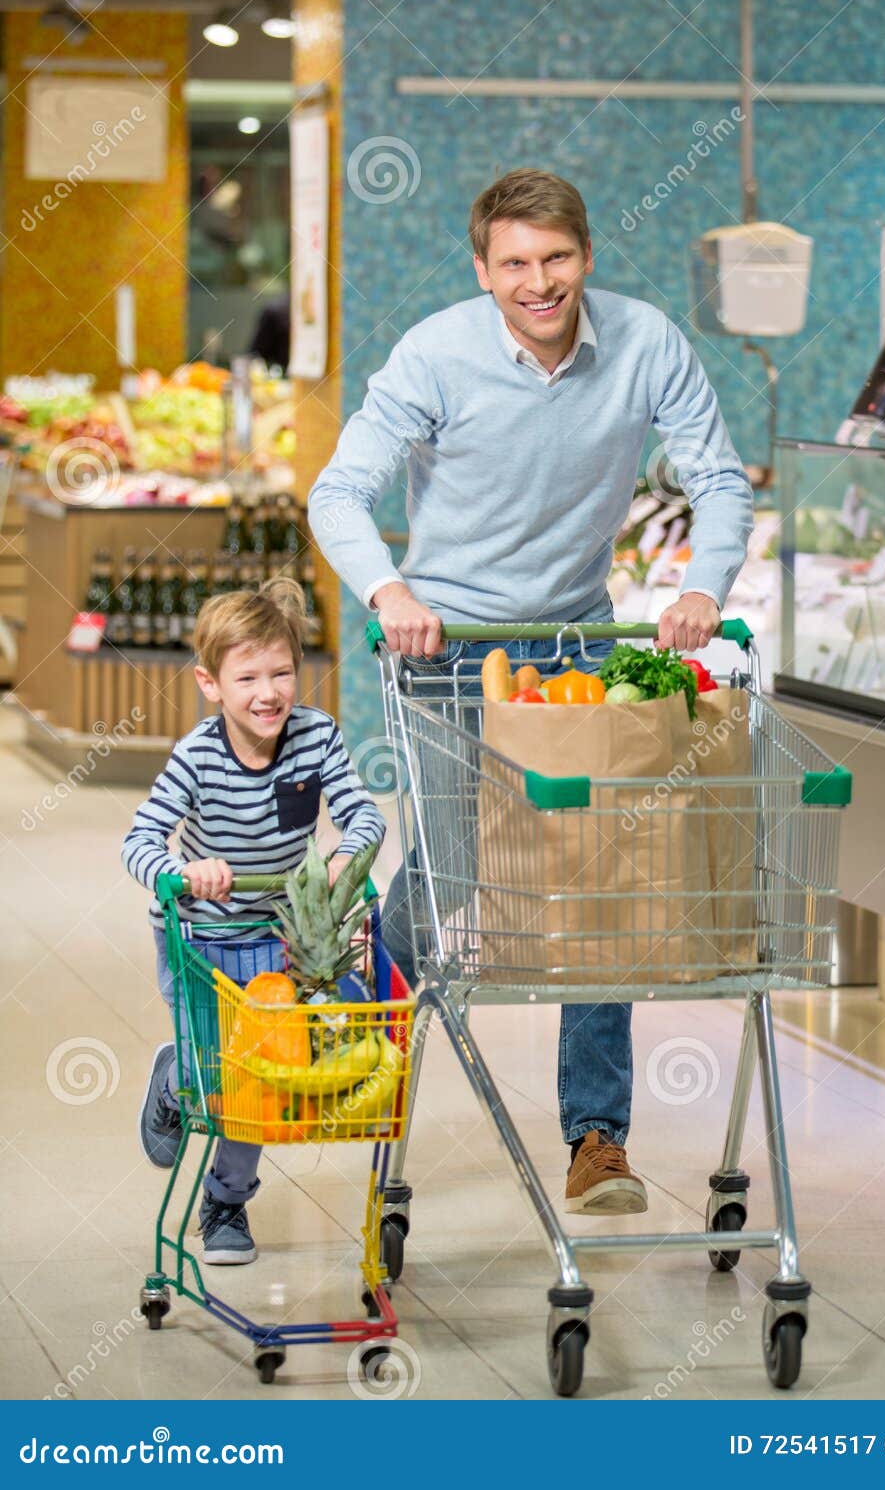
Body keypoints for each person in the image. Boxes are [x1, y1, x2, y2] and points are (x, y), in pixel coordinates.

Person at [308, 166, 753, 1214]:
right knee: (454, 869)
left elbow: (718, 477)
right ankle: (346, 1030)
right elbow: (339, 490)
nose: (537, 282)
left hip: (578, 640)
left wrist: (701, 585)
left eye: (555, 258)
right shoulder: (434, 353)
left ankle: (596, 1137)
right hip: (448, 640)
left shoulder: (645, 342)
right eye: (513, 263)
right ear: (483, 269)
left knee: (597, 877)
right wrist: (390, 590)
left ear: (585, 256)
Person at [122, 578, 385, 1264]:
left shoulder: (317, 735)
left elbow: (363, 814)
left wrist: (346, 856)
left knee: (258, 1078)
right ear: (210, 684)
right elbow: (138, 840)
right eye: (247, 678)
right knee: (210, 1075)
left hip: (277, 935)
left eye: (282, 673)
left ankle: (227, 1201)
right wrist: (184, 872)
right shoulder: (197, 756)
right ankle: (175, 1081)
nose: (268, 693)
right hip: (199, 935)